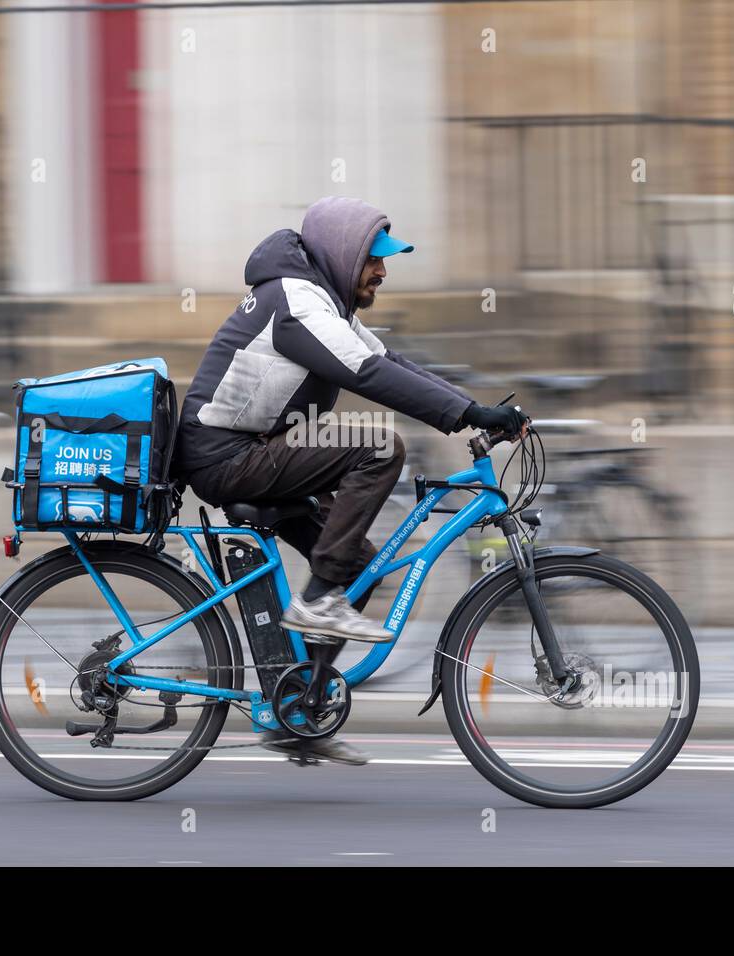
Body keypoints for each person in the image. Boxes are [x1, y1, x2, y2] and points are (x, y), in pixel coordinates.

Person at [173, 196, 526, 764]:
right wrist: (462, 416)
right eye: (374, 260)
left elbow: (393, 363)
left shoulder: (323, 305)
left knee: (355, 567)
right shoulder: (295, 302)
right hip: (226, 457)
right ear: (343, 254)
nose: (382, 272)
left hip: (256, 452)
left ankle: (302, 714)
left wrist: (472, 408)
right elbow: (366, 374)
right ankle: (316, 602)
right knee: (378, 447)